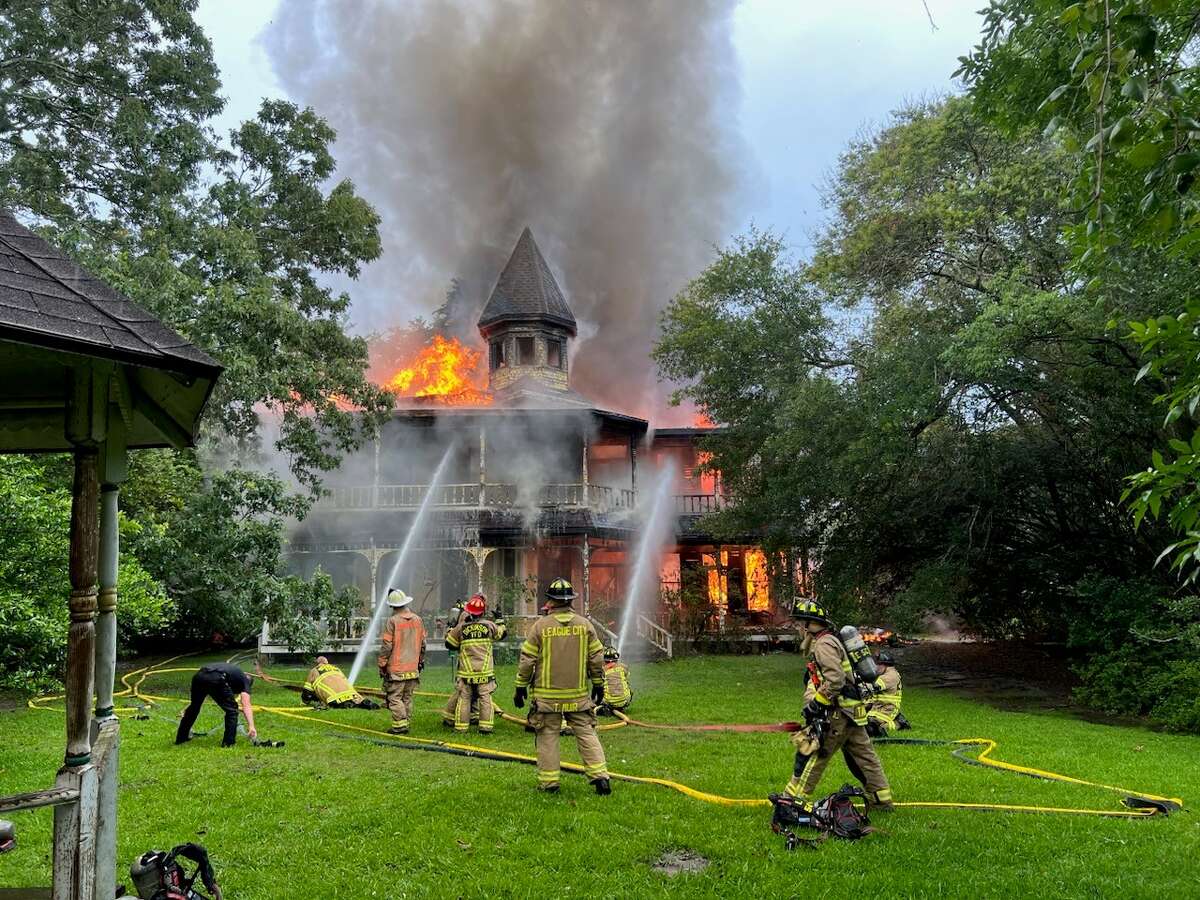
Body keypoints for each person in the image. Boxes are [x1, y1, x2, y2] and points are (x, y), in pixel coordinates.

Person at [782, 599, 893, 812]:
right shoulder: (832, 640)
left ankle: (793, 802)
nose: (798, 627)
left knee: (817, 755)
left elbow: (835, 679)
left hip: (838, 713)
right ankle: (881, 799)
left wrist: (817, 704)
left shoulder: (823, 644)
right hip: (853, 711)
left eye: (799, 623)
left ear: (809, 624)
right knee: (865, 757)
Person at [513, 578, 611, 795]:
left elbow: (527, 659)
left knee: (548, 735)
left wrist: (520, 686)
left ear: (551, 601)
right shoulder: (585, 625)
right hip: (578, 695)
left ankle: (550, 783)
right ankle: (601, 777)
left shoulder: (540, 626)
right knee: (586, 732)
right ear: (570, 600)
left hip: (547, 698)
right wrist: (598, 683)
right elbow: (596, 657)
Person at [444, 593, 506, 733]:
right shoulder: (489, 625)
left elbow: (450, 644)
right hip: (485, 671)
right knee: (485, 698)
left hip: (466, 672)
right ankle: (485, 727)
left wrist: (451, 628)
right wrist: (500, 619)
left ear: (468, 612)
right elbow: (502, 634)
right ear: (483, 612)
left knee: (464, 698)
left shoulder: (462, 628)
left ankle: (461, 728)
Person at [378, 588, 426, 735]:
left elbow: (387, 645)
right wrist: (420, 661)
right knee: (407, 697)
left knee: (395, 697)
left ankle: (399, 726)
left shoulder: (392, 621)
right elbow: (423, 644)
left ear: (392, 606)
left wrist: (382, 663)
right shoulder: (418, 620)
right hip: (413, 667)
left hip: (397, 669)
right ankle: (405, 722)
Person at [175, 661, 256, 747]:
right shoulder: (245, 681)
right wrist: (251, 726)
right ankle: (228, 743)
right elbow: (246, 704)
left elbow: (204, 693)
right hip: (217, 677)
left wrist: (188, 709)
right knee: (232, 711)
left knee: (195, 707)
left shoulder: (233, 673)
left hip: (199, 675)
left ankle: (181, 738)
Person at [301, 656, 379, 709]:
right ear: (327, 662)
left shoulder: (314, 670)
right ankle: (364, 702)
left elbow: (307, 691)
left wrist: (305, 701)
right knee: (356, 701)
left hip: (333, 698)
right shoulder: (336, 668)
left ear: (317, 663)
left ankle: (346, 704)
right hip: (350, 693)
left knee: (340, 703)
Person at [866, 651, 906, 738]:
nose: (875, 668)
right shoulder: (883, 674)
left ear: (885, 665)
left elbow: (874, 686)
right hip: (877, 708)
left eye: (877, 665)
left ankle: (899, 723)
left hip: (888, 709)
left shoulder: (891, 675)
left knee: (870, 728)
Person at [596, 647, 632, 715]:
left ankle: (607, 708)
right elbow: (627, 678)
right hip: (625, 700)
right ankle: (620, 707)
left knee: (602, 688)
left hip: (610, 702)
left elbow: (601, 684)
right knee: (627, 686)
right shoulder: (623, 667)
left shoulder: (603, 670)